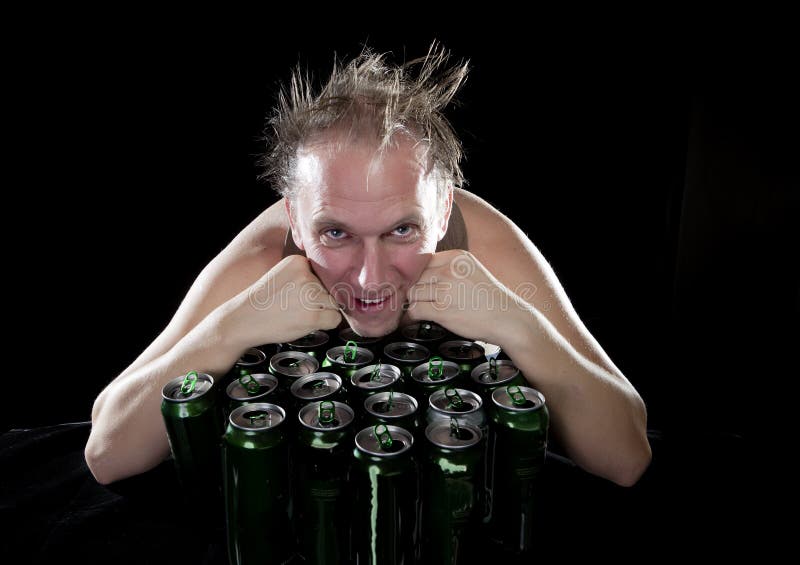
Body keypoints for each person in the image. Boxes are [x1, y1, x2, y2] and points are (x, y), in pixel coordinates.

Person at [84, 41, 651, 487]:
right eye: (335, 234)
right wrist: (229, 328)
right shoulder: (262, 256)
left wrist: (519, 324)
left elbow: (627, 456)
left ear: (445, 203)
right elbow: (107, 451)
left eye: (403, 230)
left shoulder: (487, 242)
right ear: (294, 216)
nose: (370, 279)